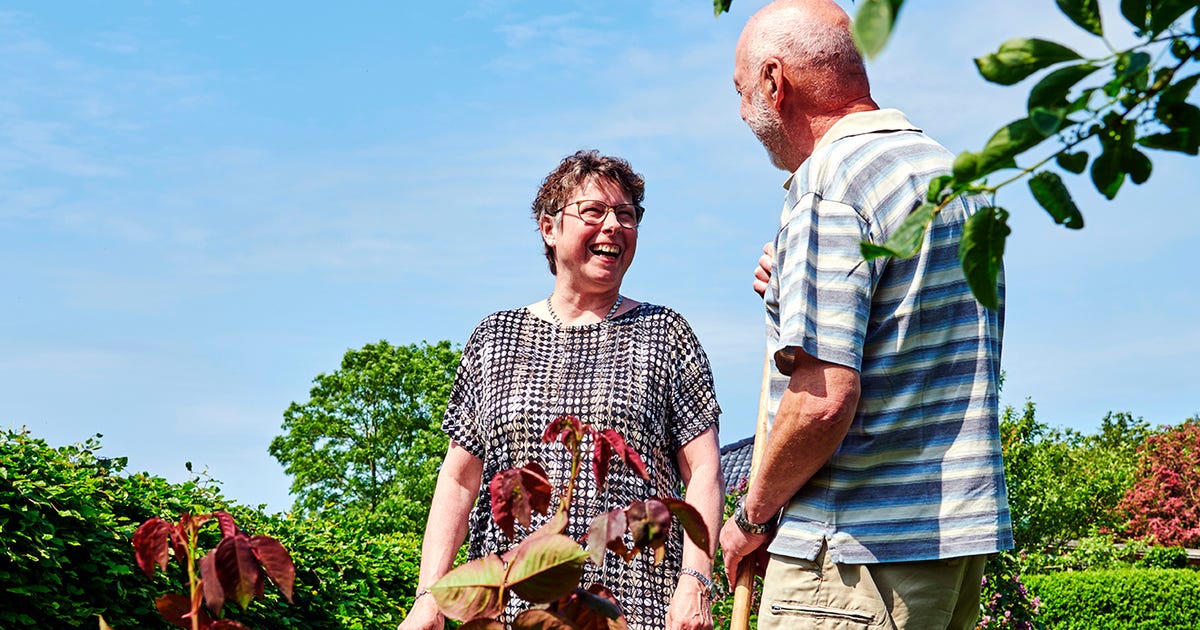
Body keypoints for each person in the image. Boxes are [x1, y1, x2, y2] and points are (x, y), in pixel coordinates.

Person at [717, 2, 1013, 629]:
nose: (742, 112)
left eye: (741, 91)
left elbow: (823, 398)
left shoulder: (831, 183)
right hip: (949, 546)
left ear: (775, 81)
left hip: (853, 551)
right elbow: (912, 339)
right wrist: (794, 292)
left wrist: (754, 516)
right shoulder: (952, 178)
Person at [398, 150, 723, 630]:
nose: (614, 225)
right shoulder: (495, 337)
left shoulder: (665, 333)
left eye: (627, 215)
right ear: (549, 228)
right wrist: (431, 596)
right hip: (508, 604)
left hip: (632, 605)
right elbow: (458, 479)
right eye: (594, 211)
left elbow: (705, 471)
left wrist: (695, 582)